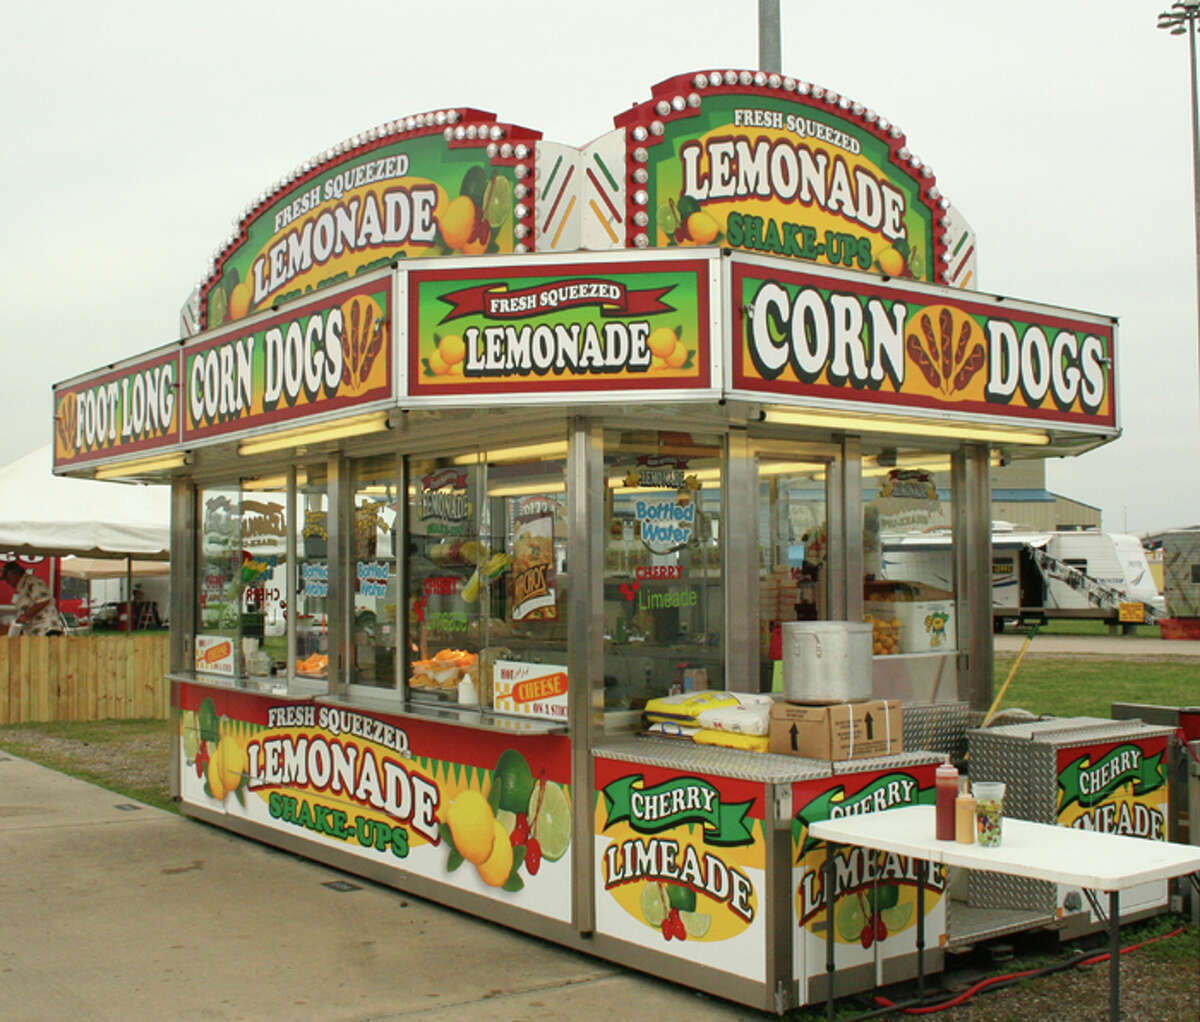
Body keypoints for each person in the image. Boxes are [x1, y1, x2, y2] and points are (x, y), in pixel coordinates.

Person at [2, 561, 66, 636]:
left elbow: (43, 600)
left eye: (7, 577)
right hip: (35, 631)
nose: (7, 581)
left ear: (14, 574)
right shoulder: (22, 587)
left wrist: (26, 615)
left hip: (46, 629)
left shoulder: (31, 581)